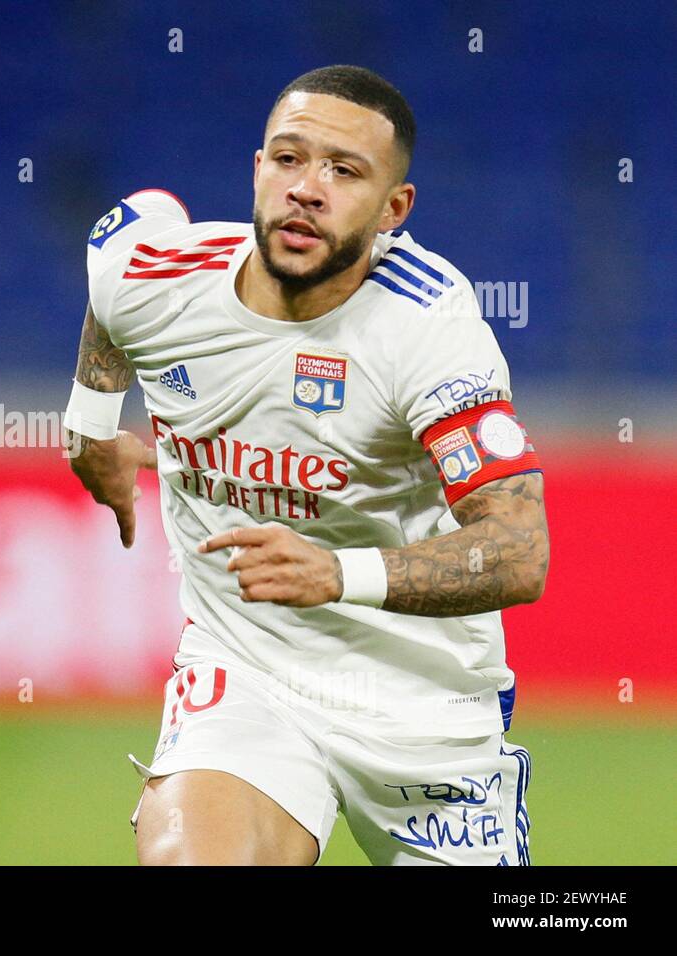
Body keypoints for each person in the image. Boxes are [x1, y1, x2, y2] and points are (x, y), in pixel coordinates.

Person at [64, 65, 547, 865]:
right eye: (289, 159)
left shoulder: (427, 326)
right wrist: (89, 424)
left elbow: (520, 550)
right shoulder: (162, 284)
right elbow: (115, 268)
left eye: (344, 171)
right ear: (258, 170)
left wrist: (337, 572)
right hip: (250, 672)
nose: (307, 189)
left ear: (395, 210)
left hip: (425, 709)